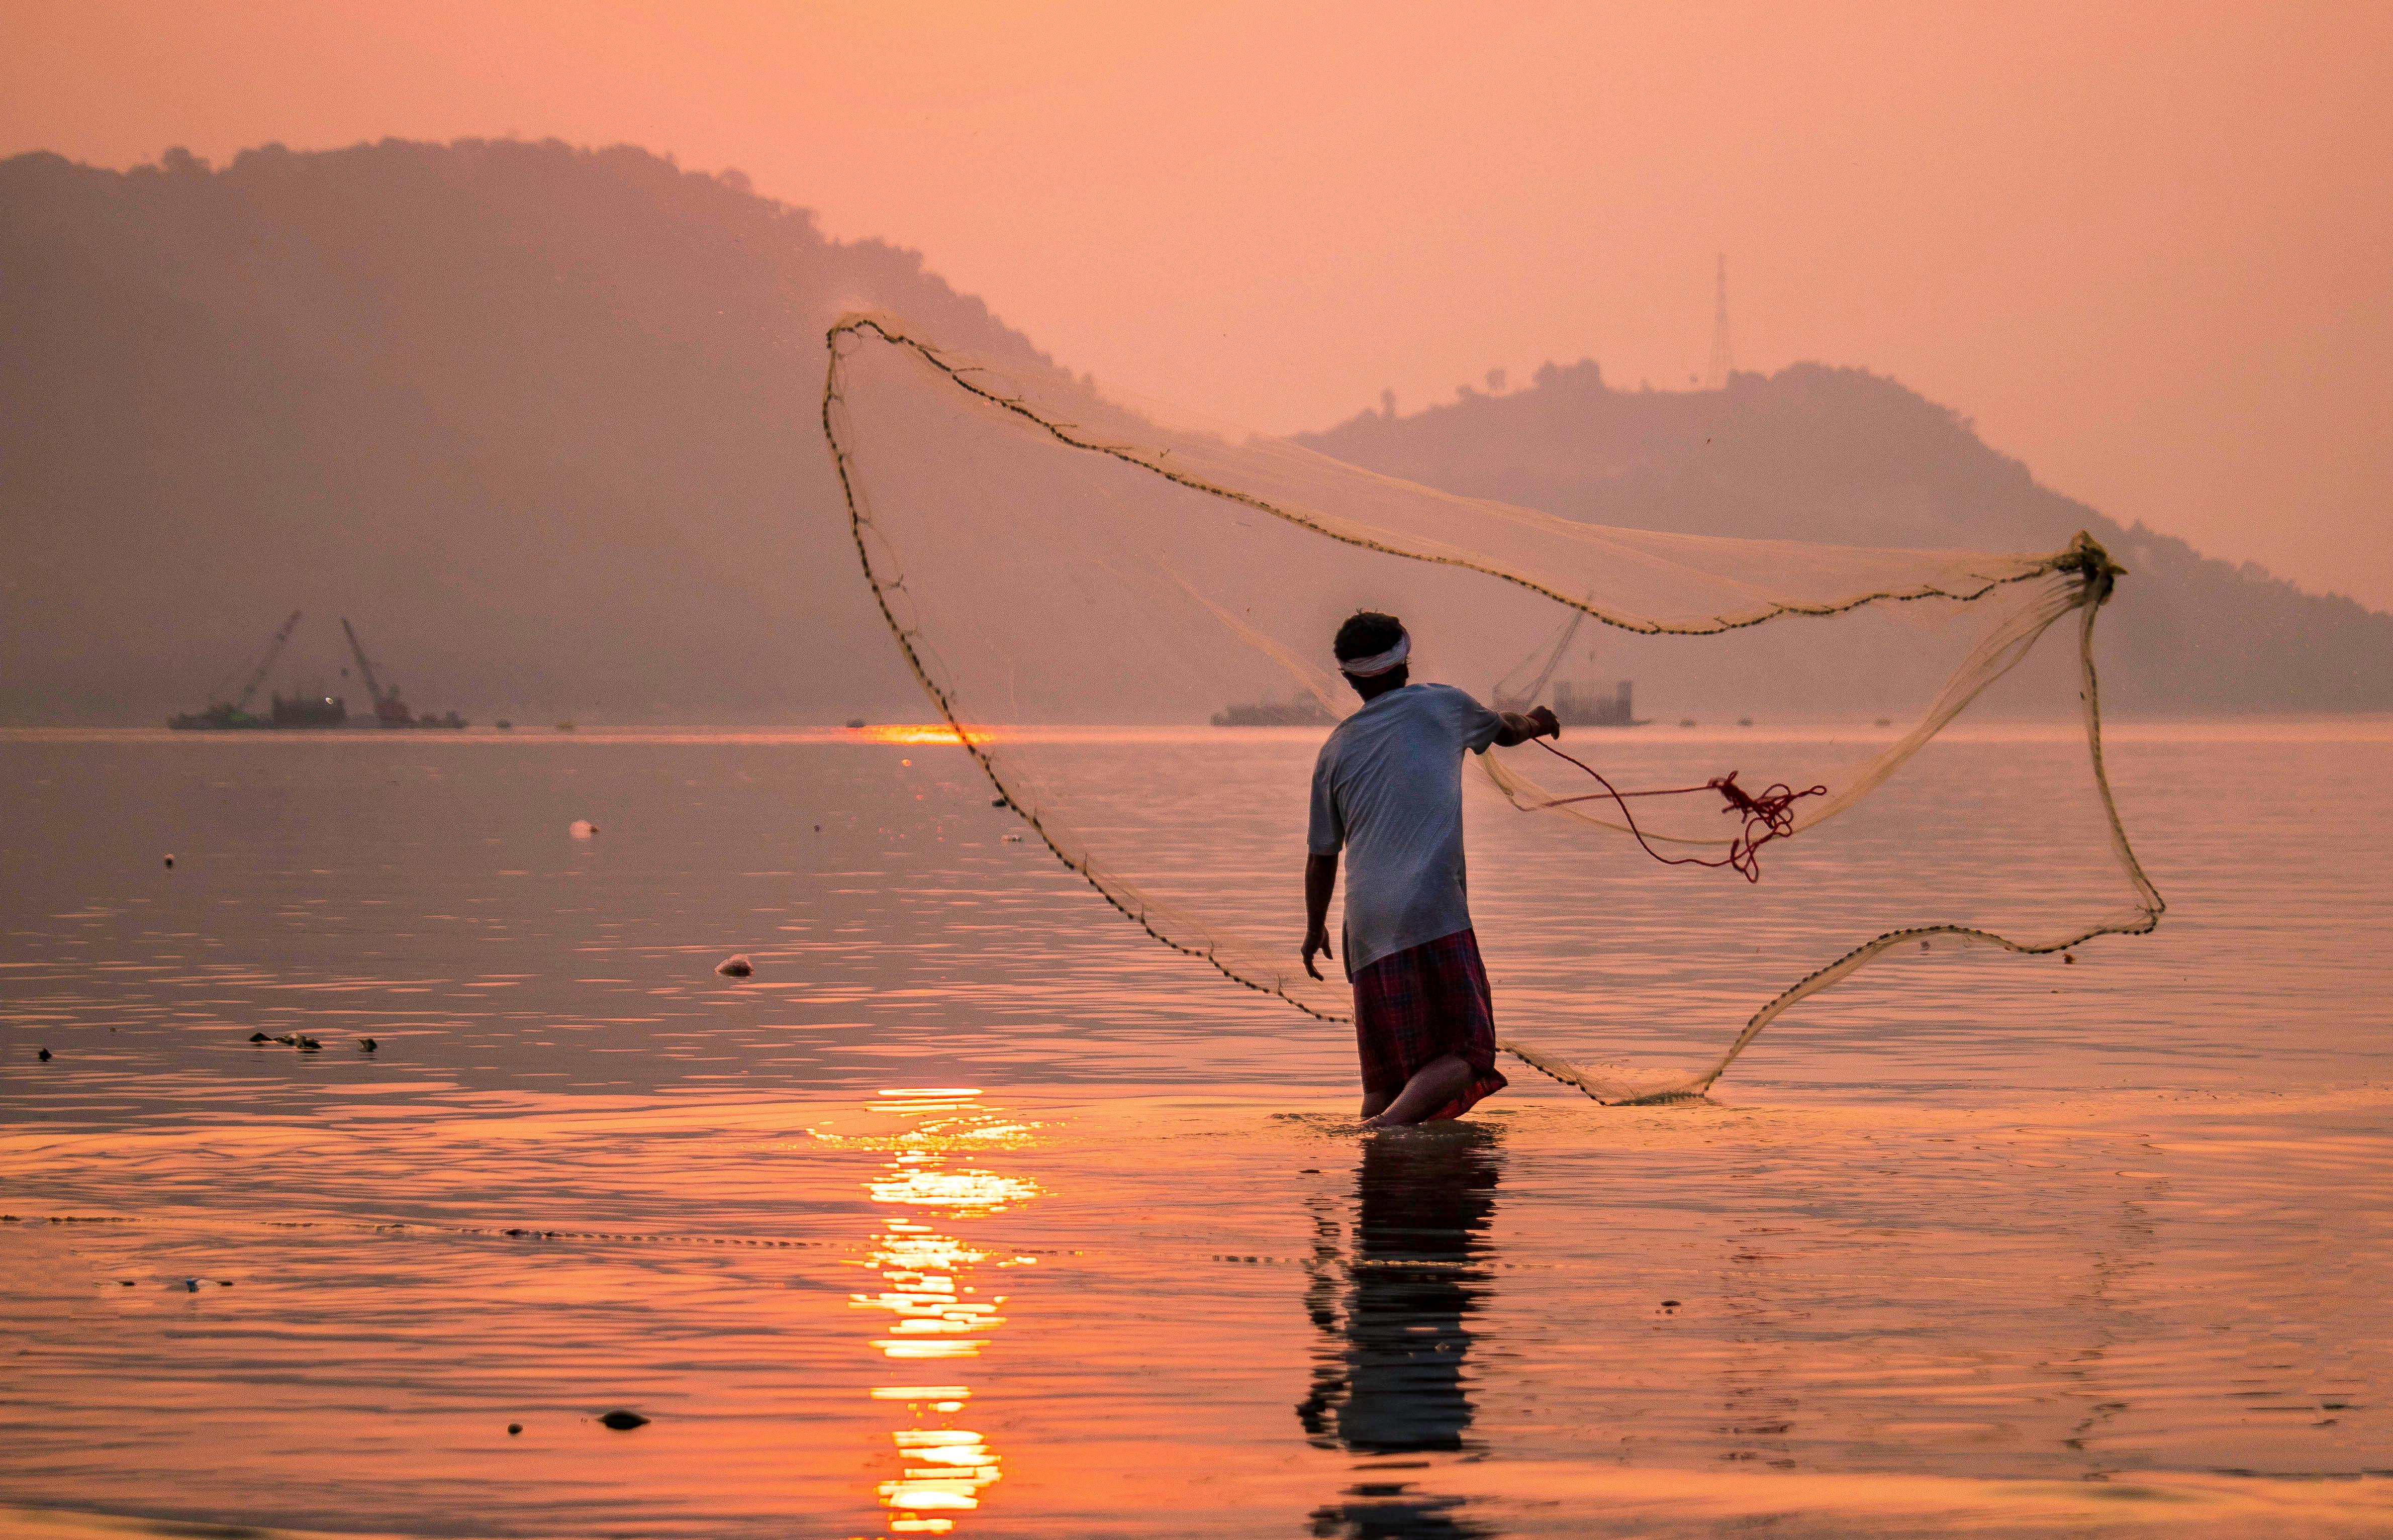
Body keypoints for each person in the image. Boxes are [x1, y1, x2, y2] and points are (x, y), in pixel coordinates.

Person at [1302, 611, 1560, 1128]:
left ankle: (1374, 1162)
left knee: (1385, 1082)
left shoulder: (1334, 750)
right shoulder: (1444, 705)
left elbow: (1321, 855)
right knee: (1469, 1052)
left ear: (1351, 679)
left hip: (1365, 927)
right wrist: (1537, 721)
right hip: (1431, 910)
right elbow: (1508, 730)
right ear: (1406, 662)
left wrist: (1313, 929)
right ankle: (1384, 1132)